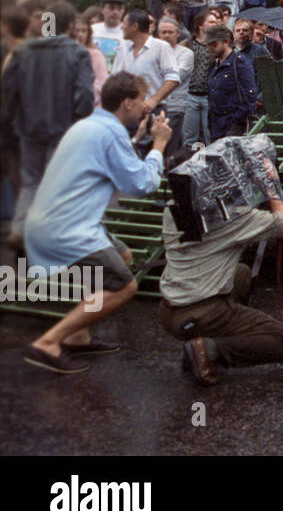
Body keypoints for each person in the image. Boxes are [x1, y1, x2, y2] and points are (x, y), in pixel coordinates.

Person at [20, 73, 172, 374]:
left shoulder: (90, 124)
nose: (145, 106)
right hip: (68, 230)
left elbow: (110, 157)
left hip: (49, 222)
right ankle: (48, 343)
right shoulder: (109, 132)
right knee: (124, 287)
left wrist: (139, 137)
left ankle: (79, 334)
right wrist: (159, 145)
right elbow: (141, 184)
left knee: (123, 257)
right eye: (141, 99)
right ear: (127, 102)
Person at [157, 155, 283, 386]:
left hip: (169, 311)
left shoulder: (172, 207)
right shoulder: (231, 217)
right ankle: (209, 349)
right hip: (203, 313)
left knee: (241, 274)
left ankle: (198, 349)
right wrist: (269, 186)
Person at [1, 0, 94, 248]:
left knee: (30, 180)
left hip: (29, 128)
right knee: (57, 183)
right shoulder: (77, 53)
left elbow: (9, 91)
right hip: (62, 129)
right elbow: (85, 93)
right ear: (72, 25)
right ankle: (49, 237)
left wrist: (15, 119)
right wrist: (78, 121)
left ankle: (20, 228)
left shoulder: (23, 52)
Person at [110, 10, 180, 128]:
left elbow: (173, 78)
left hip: (152, 111)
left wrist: (153, 100)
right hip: (126, 113)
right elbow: (115, 77)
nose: (121, 27)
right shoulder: (124, 48)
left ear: (135, 26)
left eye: (124, 23)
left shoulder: (160, 47)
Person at [205, 26, 258, 139]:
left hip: (232, 124)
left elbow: (249, 95)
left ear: (226, 42)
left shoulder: (239, 63)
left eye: (214, 44)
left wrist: (237, 120)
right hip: (216, 123)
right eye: (208, 45)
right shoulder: (214, 65)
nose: (210, 48)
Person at [155, 15, 194, 156]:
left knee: (171, 149)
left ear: (178, 34)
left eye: (170, 32)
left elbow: (175, 76)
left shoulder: (186, 53)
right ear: (158, 34)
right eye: (163, 32)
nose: (166, 36)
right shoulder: (152, 52)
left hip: (176, 108)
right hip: (154, 108)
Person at [185, 10, 221, 148]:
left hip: (208, 96)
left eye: (216, 22)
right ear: (200, 26)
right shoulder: (187, 44)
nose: (215, 24)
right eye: (211, 21)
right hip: (190, 95)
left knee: (209, 135)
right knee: (189, 137)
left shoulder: (217, 46)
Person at [72, 9, 109, 106]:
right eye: (77, 31)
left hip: (91, 106)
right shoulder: (65, 53)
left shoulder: (96, 55)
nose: (80, 34)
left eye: (84, 31)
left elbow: (101, 84)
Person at [91, 0, 128, 64]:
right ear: (102, 9)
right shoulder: (92, 30)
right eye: (111, 8)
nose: (115, 12)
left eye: (119, 8)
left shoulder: (128, 32)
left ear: (123, 10)